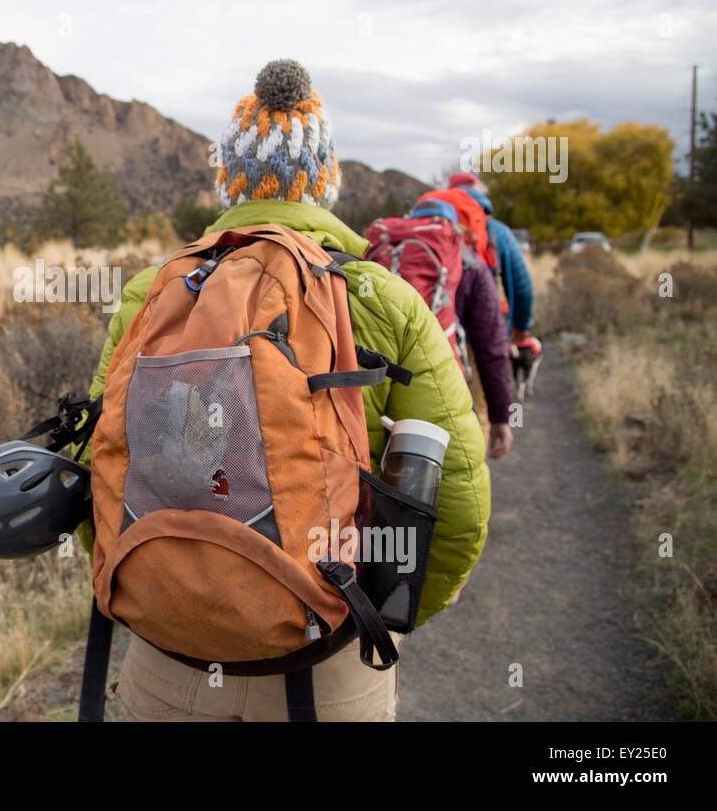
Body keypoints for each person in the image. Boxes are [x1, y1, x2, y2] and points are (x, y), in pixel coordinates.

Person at [78, 59, 491, 721]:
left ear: (229, 182)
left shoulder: (148, 293)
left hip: (168, 661)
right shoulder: (382, 296)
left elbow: (94, 465)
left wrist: (154, 590)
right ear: (323, 182)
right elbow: (460, 495)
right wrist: (389, 610)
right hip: (325, 660)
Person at [408, 198, 514, 460]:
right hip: (456, 383)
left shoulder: (390, 259)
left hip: (398, 382)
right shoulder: (472, 267)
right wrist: (502, 416)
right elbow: (492, 348)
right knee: (463, 462)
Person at [447, 172, 535, 346]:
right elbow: (522, 287)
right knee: (492, 368)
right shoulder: (495, 229)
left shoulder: (432, 228)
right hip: (482, 328)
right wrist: (521, 329)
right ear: (478, 192)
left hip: (439, 330)